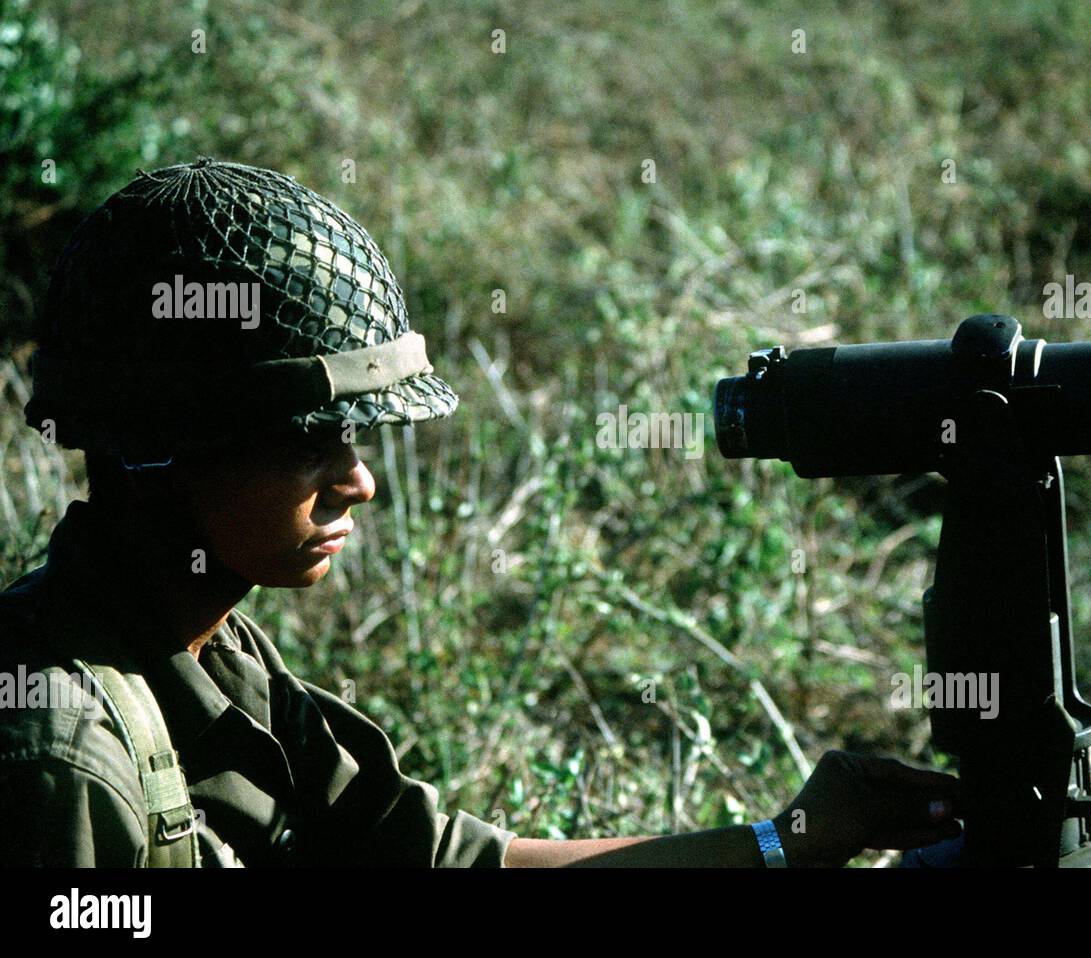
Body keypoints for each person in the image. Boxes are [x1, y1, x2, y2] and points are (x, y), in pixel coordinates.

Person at [0, 158, 962, 867]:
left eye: (355, 439)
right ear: (160, 451)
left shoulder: (215, 655)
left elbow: (456, 865)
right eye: (305, 442)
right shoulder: (65, 758)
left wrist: (784, 843)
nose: (358, 481)